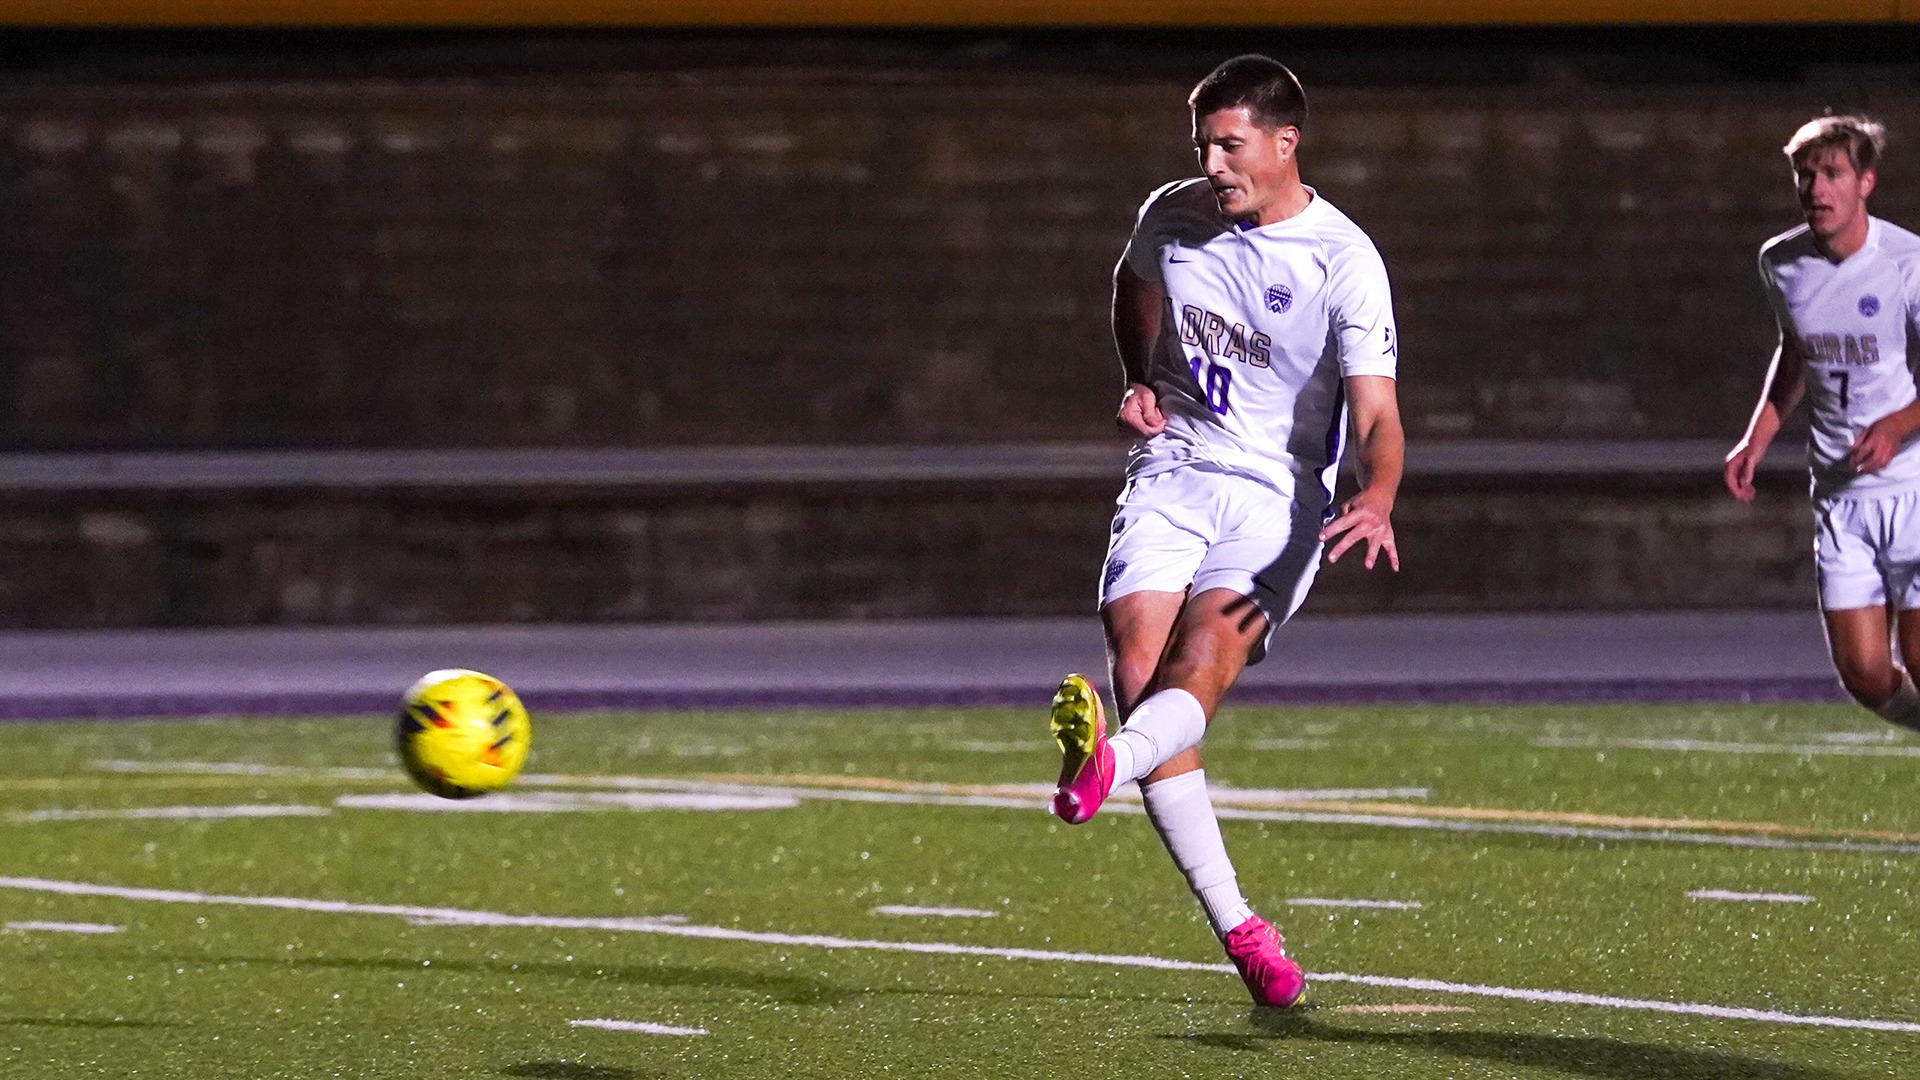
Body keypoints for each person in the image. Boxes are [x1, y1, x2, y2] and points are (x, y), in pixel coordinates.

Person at [1048, 54, 1405, 1009]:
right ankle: (1241, 929)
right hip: (1173, 470)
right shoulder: (1173, 213)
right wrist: (1137, 375)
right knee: (1138, 670)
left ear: (1287, 143)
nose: (1212, 163)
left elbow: (1377, 411)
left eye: (1231, 145)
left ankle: (1109, 767)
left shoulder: (1342, 259)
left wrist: (1377, 494)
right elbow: (1133, 283)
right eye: (1203, 144)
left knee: (1199, 662)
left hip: (1275, 502)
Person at [1726, 115, 1920, 734]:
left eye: (1832, 173)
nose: (1816, 188)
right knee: (1865, 674)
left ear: (1866, 182)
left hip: (1913, 489)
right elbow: (1796, 349)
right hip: (1839, 496)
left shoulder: (1907, 263)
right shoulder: (1781, 262)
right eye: (1804, 175)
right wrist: (1758, 435)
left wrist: (1898, 424)